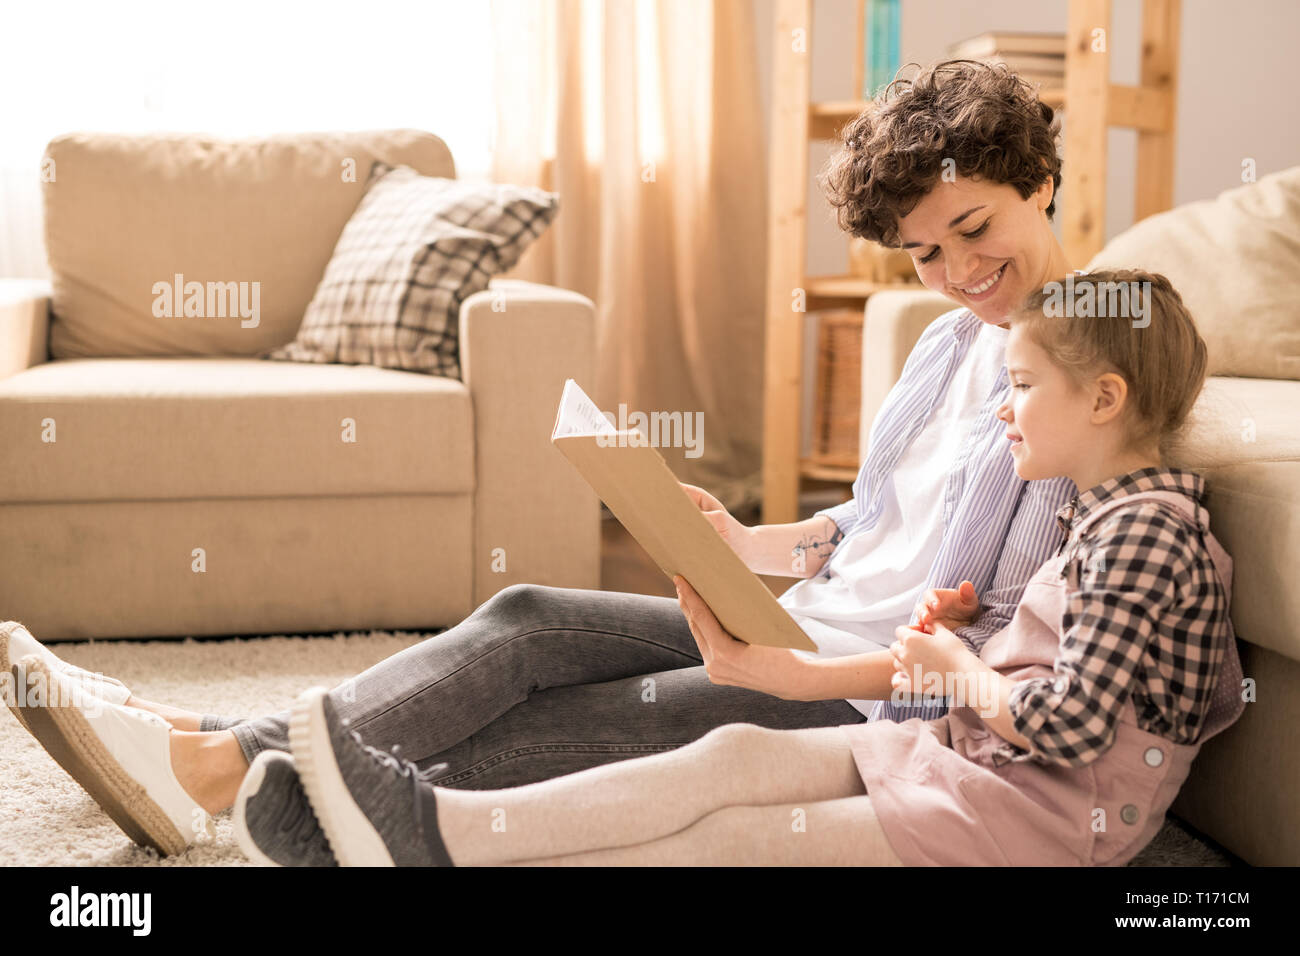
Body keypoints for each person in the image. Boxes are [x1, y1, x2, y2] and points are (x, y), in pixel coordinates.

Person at [3, 60, 1079, 861]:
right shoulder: (943, 343)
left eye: (973, 228)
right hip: (801, 626)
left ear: (1037, 178)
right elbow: (865, 523)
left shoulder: (1089, 370)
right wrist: (748, 542)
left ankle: (205, 765)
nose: (955, 272)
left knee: (580, 720)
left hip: (860, 695)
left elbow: (993, 639)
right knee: (523, 616)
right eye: (927, 252)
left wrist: (799, 672)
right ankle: (205, 741)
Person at [236, 268, 1245, 866]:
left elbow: (1069, 726)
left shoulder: (1143, 528)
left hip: (1034, 812)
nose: (1002, 403)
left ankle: (424, 832)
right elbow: (1104, 672)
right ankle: (429, 823)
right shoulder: (1107, 512)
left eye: (1022, 385)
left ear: (1104, 400)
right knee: (729, 760)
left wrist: (952, 667)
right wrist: (773, 556)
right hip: (974, 759)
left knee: (735, 839)